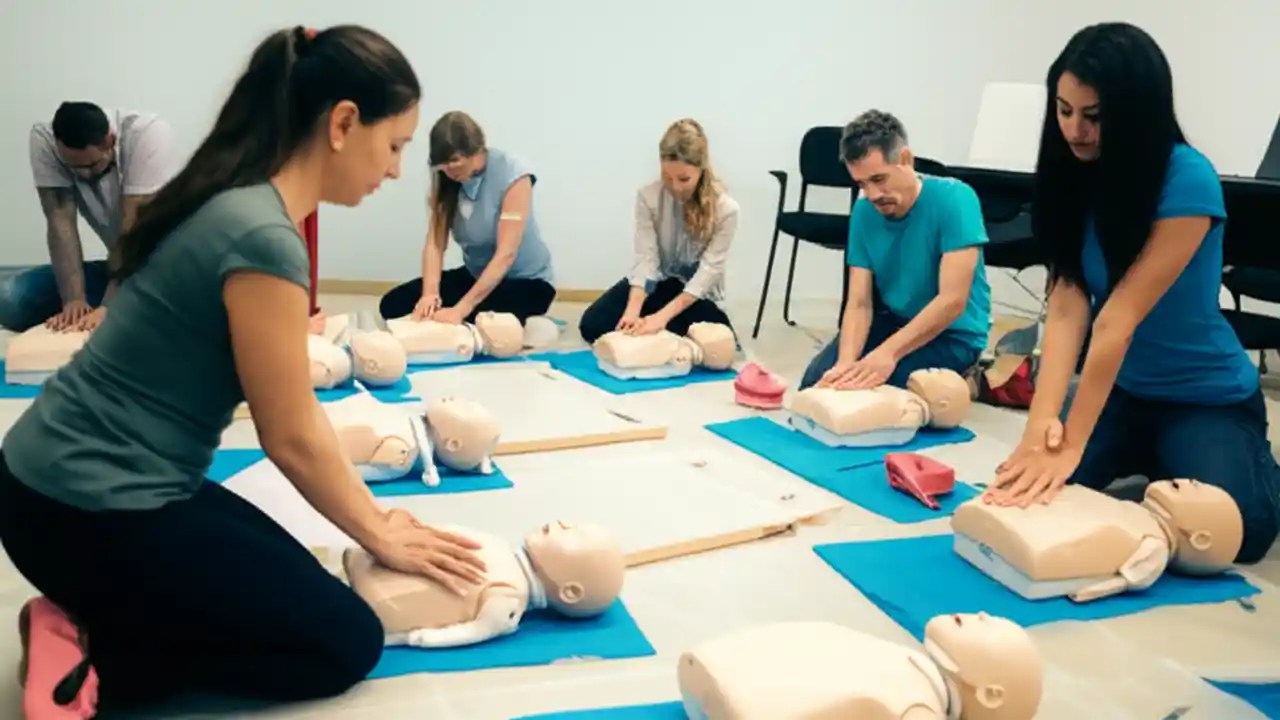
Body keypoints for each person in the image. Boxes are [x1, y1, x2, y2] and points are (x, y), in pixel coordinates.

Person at [0, 25, 487, 717]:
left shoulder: (237, 200)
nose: (397, 170)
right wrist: (378, 530)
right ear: (343, 123)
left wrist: (368, 521)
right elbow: (288, 434)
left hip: (53, 486)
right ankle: (96, 658)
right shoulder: (262, 234)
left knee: (295, 577)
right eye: (397, 145)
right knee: (344, 641)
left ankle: (91, 611)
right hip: (80, 509)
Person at [984, 22, 1280, 564]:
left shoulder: (1187, 179)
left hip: (1205, 397)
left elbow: (1118, 319)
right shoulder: (1070, 174)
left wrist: (1072, 443)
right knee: (1036, 493)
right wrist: (1040, 428)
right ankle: (1156, 458)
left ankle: (1232, 457)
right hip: (1123, 391)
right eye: (1063, 109)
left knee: (1240, 533)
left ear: (1135, 112)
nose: (1074, 130)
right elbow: (1070, 309)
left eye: (1093, 117)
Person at [798, 109, 991, 391]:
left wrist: (887, 354)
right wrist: (845, 364)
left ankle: (969, 377)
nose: (873, 194)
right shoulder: (864, 211)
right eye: (862, 184)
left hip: (955, 334)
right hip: (894, 321)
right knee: (818, 383)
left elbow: (952, 301)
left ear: (906, 160)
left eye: (879, 179)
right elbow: (860, 303)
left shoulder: (956, 199)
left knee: (881, 391)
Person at [0, 102, 180, 333]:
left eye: (92, 164)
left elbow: (133, 231)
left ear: (110, 141)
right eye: (74, 167)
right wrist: (73, 300)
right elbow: (59, 220)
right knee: (10, 300)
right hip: (120, 267)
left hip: (163, 267)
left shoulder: (147, 134)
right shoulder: (45, 140)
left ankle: (134, 306)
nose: (84, 174)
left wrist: (109, 306)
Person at [378, 110, 556, 324]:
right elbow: (435, 244)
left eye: (455, 161)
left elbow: (506, 254)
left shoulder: (514, 175)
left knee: (478, 319)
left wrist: (460, 310)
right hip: (476, 276)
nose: (450, 171)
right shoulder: (446, 180)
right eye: (444, 165)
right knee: (393, 304)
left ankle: (532, 324)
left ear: (476, 151)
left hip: (526, 282)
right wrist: (429, 295)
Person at [578, 118, 740, 343]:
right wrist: (632, 312)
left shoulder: (726, 210)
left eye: (684, 179)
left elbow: (707, 273)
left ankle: (660, 330)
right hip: (657, 285)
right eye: (667, 177)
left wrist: (661, 318)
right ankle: (655, 330)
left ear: (701, 169)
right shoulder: (648, 197)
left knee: (717, 344)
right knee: (593, 325)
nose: (675, 187)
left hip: (694, 296)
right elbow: (646, 260)